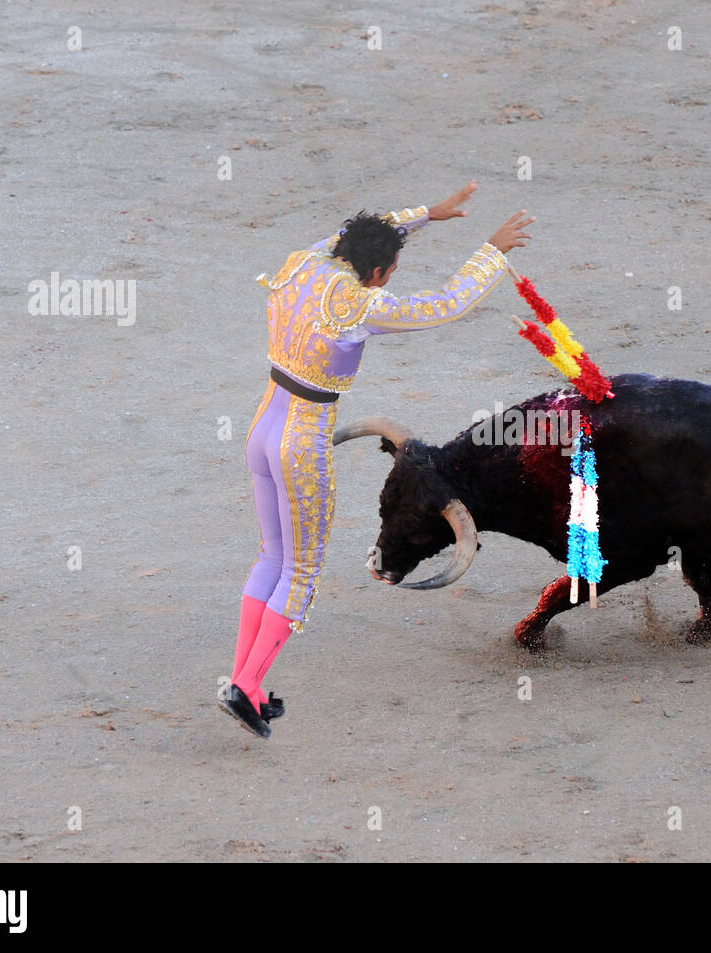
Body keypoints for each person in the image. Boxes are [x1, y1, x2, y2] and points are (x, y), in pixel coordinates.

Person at [220, 181, 534, 738]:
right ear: (382, 273)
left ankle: (244, 680)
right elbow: (443, 306)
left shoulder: (305, 261)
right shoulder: (360, 302)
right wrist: (492, 252)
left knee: (272, 556)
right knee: (300, 572)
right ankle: (245, 685)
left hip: (264, 423)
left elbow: (353, 229)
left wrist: (427, 216)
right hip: (302, 440)